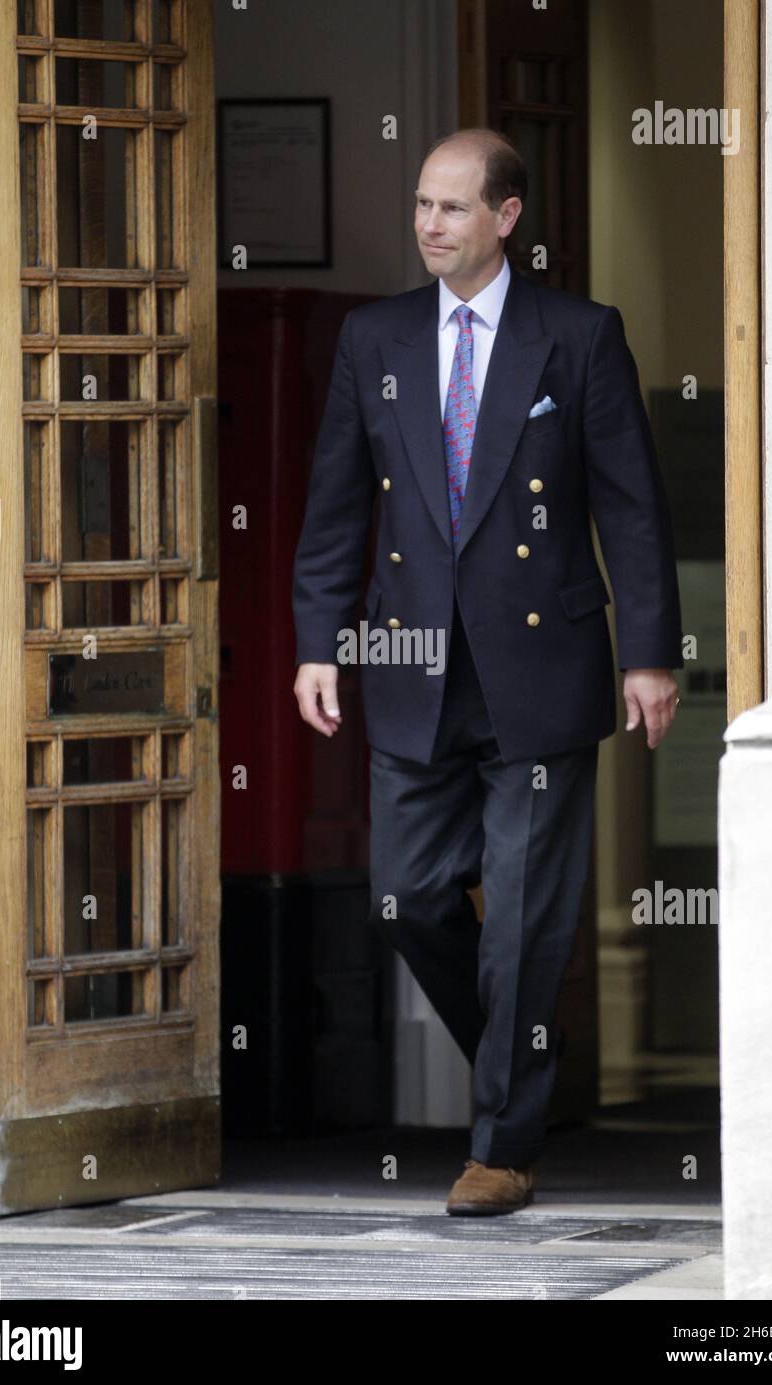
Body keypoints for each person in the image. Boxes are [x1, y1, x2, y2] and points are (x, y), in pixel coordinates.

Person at [292, 127, 683, 1216]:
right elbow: (333, 506)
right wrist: (316, 642)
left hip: (542, 668)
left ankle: (501, 1146)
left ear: (506, 218)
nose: (428, 224)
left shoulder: (577, 337)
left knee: (518, 920)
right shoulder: (372, 338)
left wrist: (649, 653)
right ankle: (527, 1055)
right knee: (405, 895)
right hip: (412, 664)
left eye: (452, 208)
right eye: (421, 204)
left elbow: (631, 508)